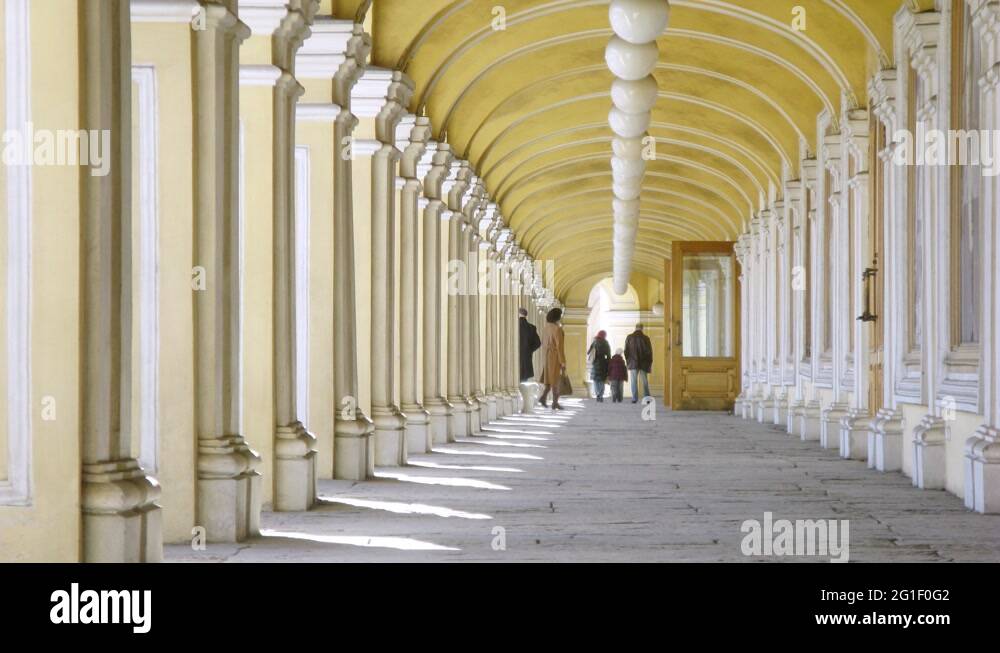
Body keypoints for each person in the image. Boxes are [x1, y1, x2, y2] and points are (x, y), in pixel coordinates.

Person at [537, 307, 566, 410]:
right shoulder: (557, 329)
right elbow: (559, 347)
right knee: (555, 381)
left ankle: (544, 398)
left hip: (547, 356)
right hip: (555, 357)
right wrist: (562, 362)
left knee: (549, 380)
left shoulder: (546, 328)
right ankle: (554, 402)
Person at [623, 322, 653, 403]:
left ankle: (634, 398)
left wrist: (628, 360)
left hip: (633, 363)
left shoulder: (629, 337)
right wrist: (649, 363)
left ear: (635, 328)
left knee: (633, 381)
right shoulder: (646, 338)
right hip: (644, 363)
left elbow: (626, 351)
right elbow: (649, 352)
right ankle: (647, 398)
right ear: (642, 328)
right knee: (645, 381)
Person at [587, 330, 611, 402]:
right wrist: (608, 363)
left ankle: (597, 394)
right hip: (603, 363)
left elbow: (589, 352)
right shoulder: (606, 343)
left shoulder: (594, 342)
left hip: (595, 363)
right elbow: (608, 355)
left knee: (595, 380)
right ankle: (600, 395)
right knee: (602, 381)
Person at [518, 307, 541, 382]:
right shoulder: (531, 327)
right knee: (524, 381)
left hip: (514, 358)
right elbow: (538, 343)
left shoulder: (513, 326)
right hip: (526, 358)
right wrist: (529, 350)